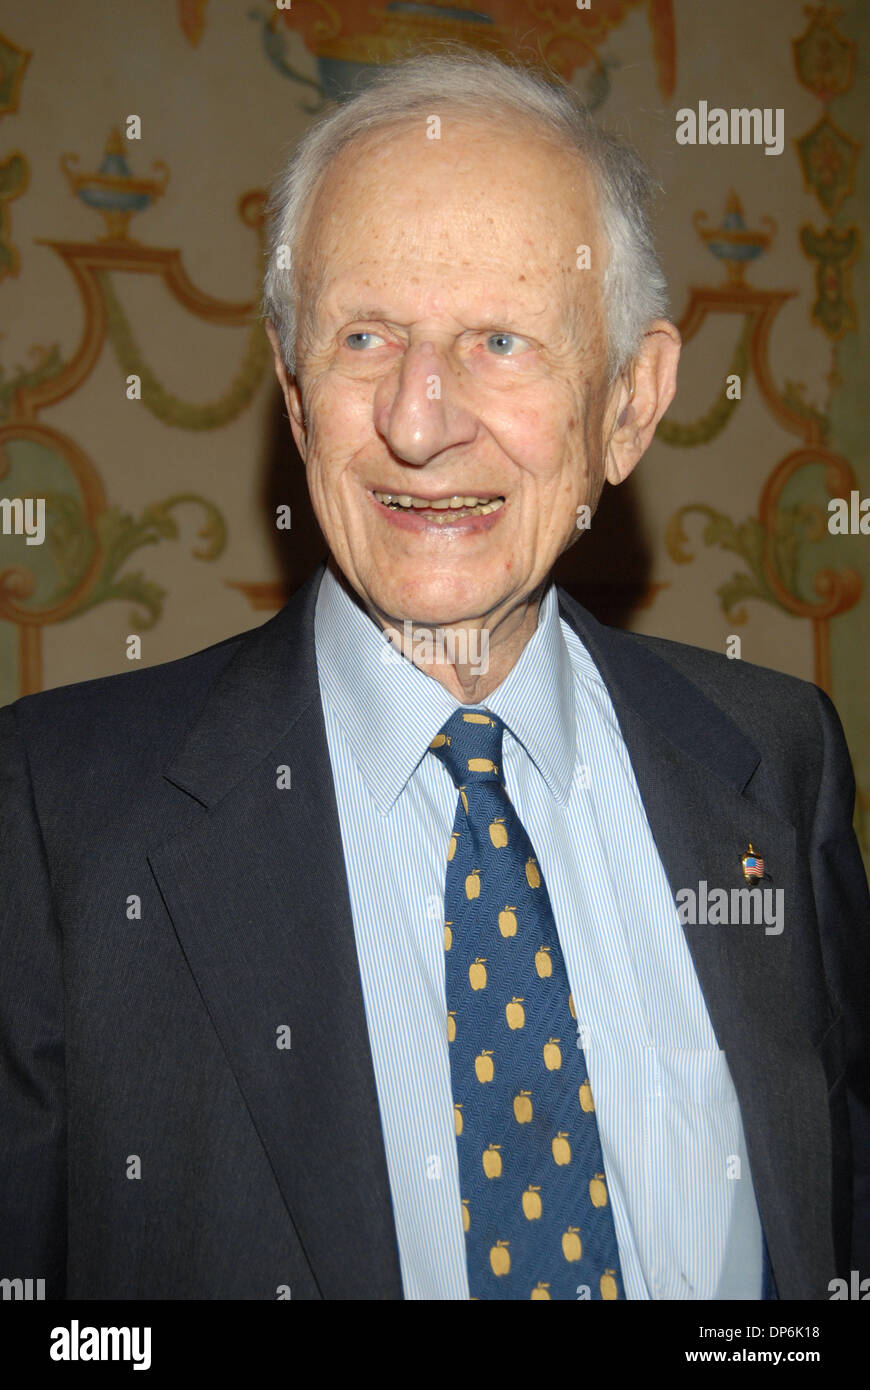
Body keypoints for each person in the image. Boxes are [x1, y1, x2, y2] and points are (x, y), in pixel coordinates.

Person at [1, 49, 867, 1302]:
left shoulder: (777, 761)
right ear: (296, 401)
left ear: (631, 402)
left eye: (500, 341)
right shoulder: (56, 816)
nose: (418, 420)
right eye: (365, 335)